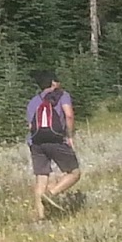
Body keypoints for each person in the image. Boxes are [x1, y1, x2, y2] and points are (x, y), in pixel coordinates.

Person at [27, 69, 80, 219]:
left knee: (41, 178)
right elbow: (69, 115)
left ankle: (42, 218)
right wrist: (70, 136)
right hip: (56, 140)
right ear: (53, 83)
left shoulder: (33, 101)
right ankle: (51, 194)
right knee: (74, 173)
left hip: (36, 142)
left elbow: (30, 126)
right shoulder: (62, 95)